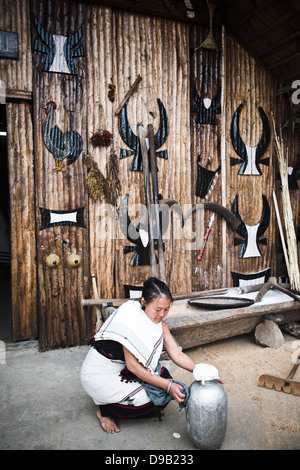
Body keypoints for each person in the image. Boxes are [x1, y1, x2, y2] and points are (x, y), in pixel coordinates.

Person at [80, 277, 196, 434]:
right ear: (144, 302)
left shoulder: (160, 324)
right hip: (97, 376)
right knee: (150, 400)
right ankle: (105, 411)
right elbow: (133, 366)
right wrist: (168, 386)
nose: (162, 314)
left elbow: (176, 353)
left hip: (119, 371)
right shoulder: (131, 318)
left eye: (166, 309)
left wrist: (200, 370)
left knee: (162, 379)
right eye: (157, 309)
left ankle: (112, 398)